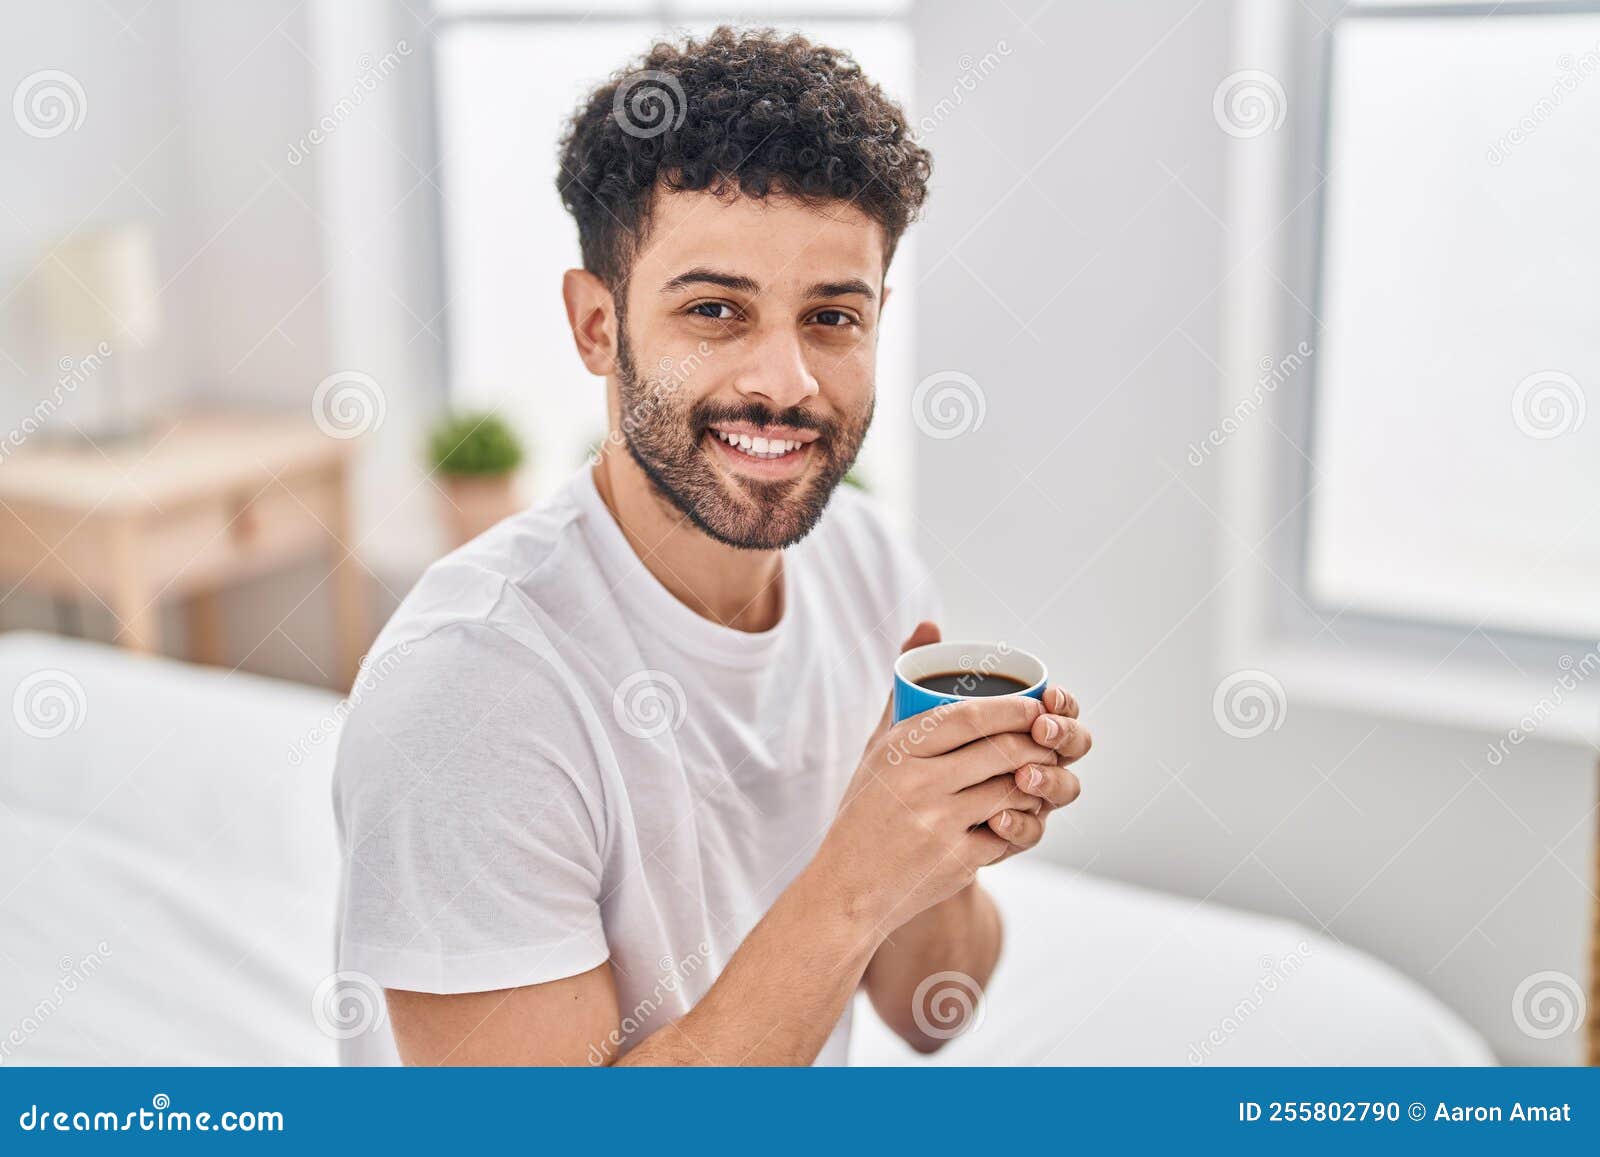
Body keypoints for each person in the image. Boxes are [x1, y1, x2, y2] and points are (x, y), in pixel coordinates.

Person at [332, 26, 1091, 1066]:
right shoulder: (468, 688)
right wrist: (858, 870)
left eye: (832, 315)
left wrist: (938, 828)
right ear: (598, 324)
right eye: (715, 309)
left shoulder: (868, 564)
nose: (784, 380)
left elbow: (926, 1013)